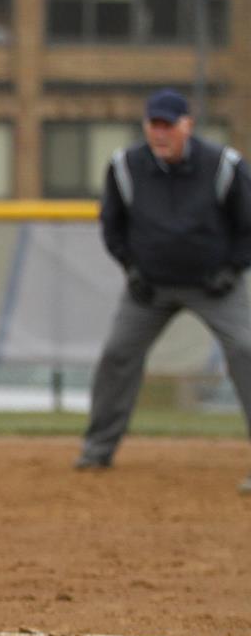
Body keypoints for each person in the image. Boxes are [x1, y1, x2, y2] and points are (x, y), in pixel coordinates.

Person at [73, 88, 251, 494]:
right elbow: (112, 226)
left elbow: (248, 224)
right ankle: (98, 448)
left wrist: (233, 268)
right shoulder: (125, 166)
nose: (160, 133)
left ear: (187, 126)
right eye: (154, 124)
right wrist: (131, 268)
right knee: (118, 353)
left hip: (215, 285)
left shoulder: (223, 165)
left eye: (168, 125)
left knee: (246, 350)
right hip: (150, 287)